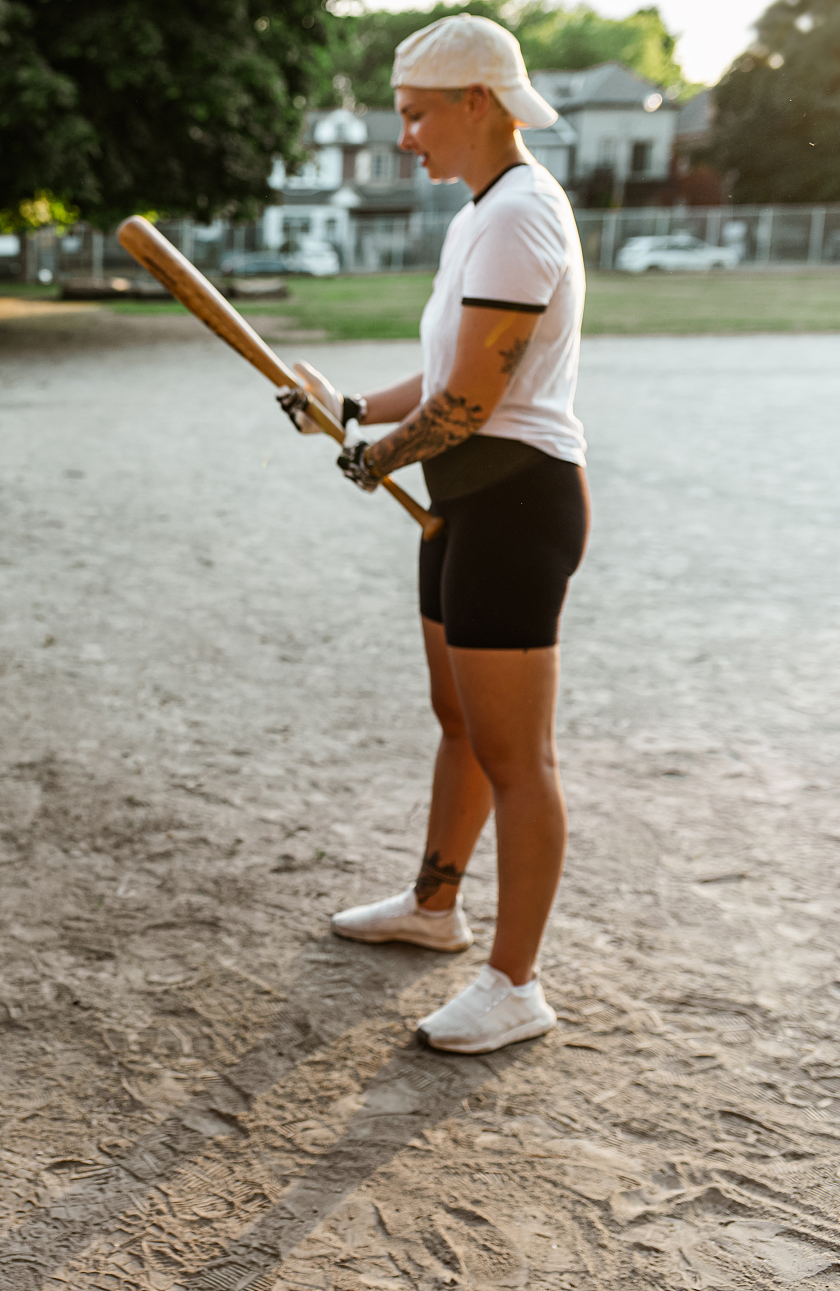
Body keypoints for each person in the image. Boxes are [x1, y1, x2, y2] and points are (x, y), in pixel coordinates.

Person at [298, 14, 590, 1055]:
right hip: (465, 497)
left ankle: (514, 983)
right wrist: (350, 410)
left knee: (518, 754)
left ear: (476, 102)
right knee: (459, 720)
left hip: (515, 502)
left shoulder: (518, 217)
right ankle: (435, 907)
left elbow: (470, 400)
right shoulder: (481, 212)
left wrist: (378, 459)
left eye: (416, 116)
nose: (405, 137)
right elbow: (437, 382)